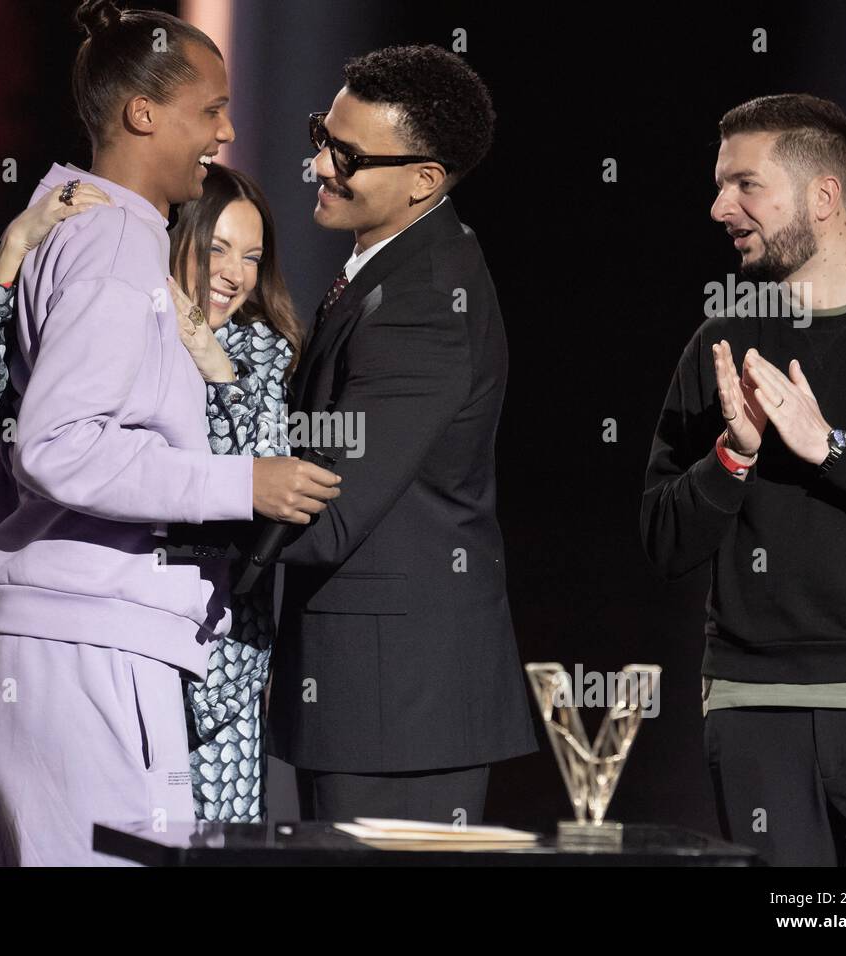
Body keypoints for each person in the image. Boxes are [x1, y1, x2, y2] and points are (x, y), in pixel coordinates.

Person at [0, 0, 338, 864]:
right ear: (142, 113)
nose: (229, 128)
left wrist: (29, 478)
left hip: (91, 629)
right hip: (87, 635)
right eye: (210, 110)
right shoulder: (110, 240)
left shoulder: (75, 223)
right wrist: (239, 482)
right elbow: (61, 446)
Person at [0, 161, 302, 823]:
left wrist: (215, 366)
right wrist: (10, 250)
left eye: (251, 256)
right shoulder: (103, 322)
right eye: (216, 248)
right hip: (117, 640)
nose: (234, 272)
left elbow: (265, 498)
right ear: (172, 240)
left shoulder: (260, 354)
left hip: (221, 656)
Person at [641, 93, 846, 865]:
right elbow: (661, 540)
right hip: (757, 708)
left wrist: (832, 448)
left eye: (745, 185)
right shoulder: (721, 341)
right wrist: (734, 456)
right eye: (721, 185)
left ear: (824, 196)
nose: (720, 207)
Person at [262, 45, 538, 825]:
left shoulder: (421, 299)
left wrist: (166, 505)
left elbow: (330, 512)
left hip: (397, 712)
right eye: (323, 135)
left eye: (347, 154)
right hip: (377, 703)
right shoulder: (394, 270)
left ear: (424, 180)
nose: (319, 163)